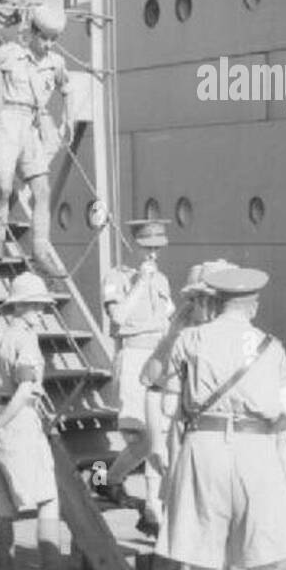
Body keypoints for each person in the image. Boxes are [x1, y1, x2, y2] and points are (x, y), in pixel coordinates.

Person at [156, 266, 286, 570]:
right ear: (252, 305)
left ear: (216, 301)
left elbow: (165, 398)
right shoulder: (271, 347)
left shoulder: (190, 340)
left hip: (205, 448)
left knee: (204, 569)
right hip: (258, 453)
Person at [0, 272, 84, 570]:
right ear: (25, 307)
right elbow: (24, 389)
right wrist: (3, 423)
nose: (41, 311)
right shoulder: (27, 342)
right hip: (19, 423)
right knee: (48, 501)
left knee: (3, 509)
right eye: (38, 306)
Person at [0, 2, 68, 275]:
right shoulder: (11, 54)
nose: (48, 45)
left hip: (31, 127)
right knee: (3, 187)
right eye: (44, 38)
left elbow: (65, 87)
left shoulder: (55, 63)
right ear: (33, 33)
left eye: (53, 40)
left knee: (42, 191)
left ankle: (40, 250)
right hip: (7, 123)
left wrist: (65, 121)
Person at [101, 219, 175, 534]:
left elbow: (168, 317)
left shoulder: (162, 279)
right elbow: (118, 317)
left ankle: (153, 509)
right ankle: (109, 480)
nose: (154, 254)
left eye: (158, 248)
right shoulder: (117, 278)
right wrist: (141, 284)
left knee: (160, 434)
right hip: (132, 357)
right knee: (145, 435)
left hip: (158, 356)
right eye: (148, 248)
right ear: (134, 246)